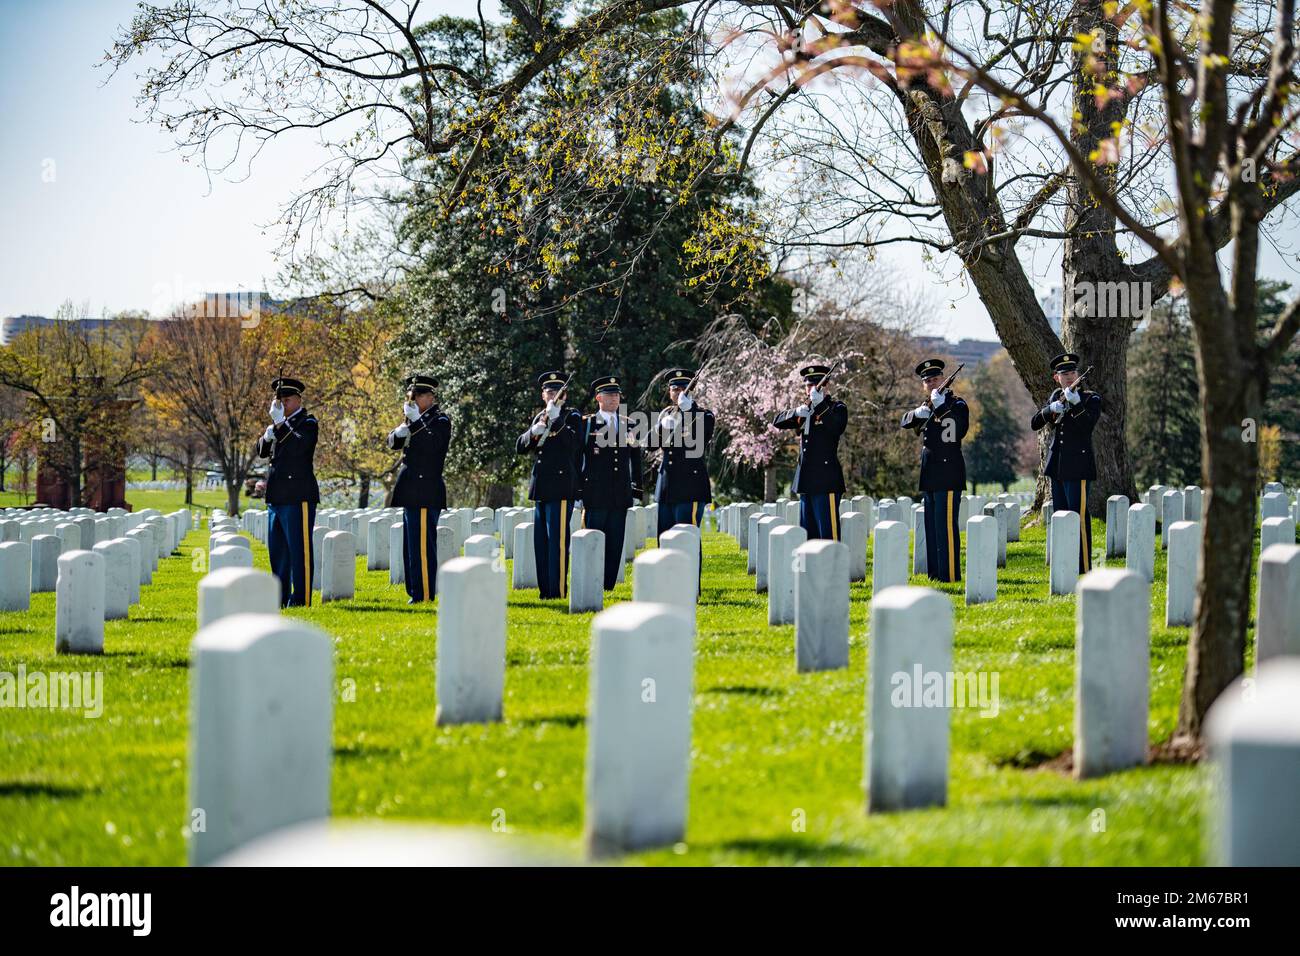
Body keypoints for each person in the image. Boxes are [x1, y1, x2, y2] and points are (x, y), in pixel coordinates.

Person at [1030, 351, 1104, 573]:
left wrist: (1077, 404)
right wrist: (1049, 410)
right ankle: (1064, 562)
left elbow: (1087, 428)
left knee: (1078, 516)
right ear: (1057, 378)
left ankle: (1082, 566)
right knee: (1060, 516)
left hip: (1078, 465)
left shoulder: (1091, 399)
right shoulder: (1055, 397)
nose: (1069, 377)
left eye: (1072, 372)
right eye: (1064, 374)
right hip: (1058, 465)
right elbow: (1034, 423)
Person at [516, 370, 583, 600]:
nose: (553, 394)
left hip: (562, 487)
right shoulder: (539, 417)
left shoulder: (572, 416)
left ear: (564, 394)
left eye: (557, 391)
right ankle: (546, 591)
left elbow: (573, 444)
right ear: (543, 395)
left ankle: (558, 590)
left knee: (557, 542)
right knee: (542, 544)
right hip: (541, 487)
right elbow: (521, 447)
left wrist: (557, 419)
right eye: (549, 391)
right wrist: (533, 433)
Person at [900, 358, 969, 583]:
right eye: (927, 380)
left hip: (948, 473)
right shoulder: (925, 406)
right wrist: (916, 414)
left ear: (944, 380)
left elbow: (955, 433)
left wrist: (940, 407)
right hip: (929, 474)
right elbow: (904, 422)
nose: (931, 383)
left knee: (945, 527)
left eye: (935, 379)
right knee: (931, 528)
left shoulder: (956, 405)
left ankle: (949, 574)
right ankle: (935, 574)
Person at [254, 376, 320, 607]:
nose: (282, 404)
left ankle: (301, 599)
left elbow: (299, 448)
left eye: (287, 400)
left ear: (298, 400)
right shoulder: (278, 424)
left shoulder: (308, 422)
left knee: (299, 551)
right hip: (277, 495)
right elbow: (262, 451)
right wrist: (267, 435)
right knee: (279, 552)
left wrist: (281, 425)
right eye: (279, 400)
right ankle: (280, 598)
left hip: (298, 494)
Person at [387, 373, 451, 603]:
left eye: (420, 395)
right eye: (412, 396)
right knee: (411, 547)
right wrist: (400, 431)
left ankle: (423, 593)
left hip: (426, 489)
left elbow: (434, 446)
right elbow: (392, 442)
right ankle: (414, 590)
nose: (414, 400)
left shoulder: (440, 420)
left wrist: (416, 423)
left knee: (423, 546)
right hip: (409, 489)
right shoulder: (412, 419)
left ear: (431, 397)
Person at [578, 375, 643, 589]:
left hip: (620, 493)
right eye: (610, 395)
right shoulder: (587, 424)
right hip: (595, 494)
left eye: (617, 395)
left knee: (615, 542)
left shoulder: (629, 423)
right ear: (599, 397)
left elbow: (635, 458)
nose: (615, 399)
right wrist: (578, 490)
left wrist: (636, 487)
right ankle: (591, 580)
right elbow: (578, 457)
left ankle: (608, 585)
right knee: (594, 540)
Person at [772, 364, 847, 540]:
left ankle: (832, 567)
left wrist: (820, 405)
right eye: (808, 385)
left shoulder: (836, 408)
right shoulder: (805, 409)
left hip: (826, 479)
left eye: (815, 385)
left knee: (828, 535)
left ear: (825, 386)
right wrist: (796, 412)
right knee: (809, 535)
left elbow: (837, 427)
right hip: (806, 480)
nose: (811, 389)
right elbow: (777, 421)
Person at [654, 368, 714, 539]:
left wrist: (688, 412)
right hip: (666, 487)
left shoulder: (704, 414)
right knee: (664, 540)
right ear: (670, 392)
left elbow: (703, 438)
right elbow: (649, 445)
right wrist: (660, 428)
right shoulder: (665, 414)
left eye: (683, 389)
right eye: (675, 389)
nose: (679, 392)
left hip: (690, 486)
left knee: (688, 540)